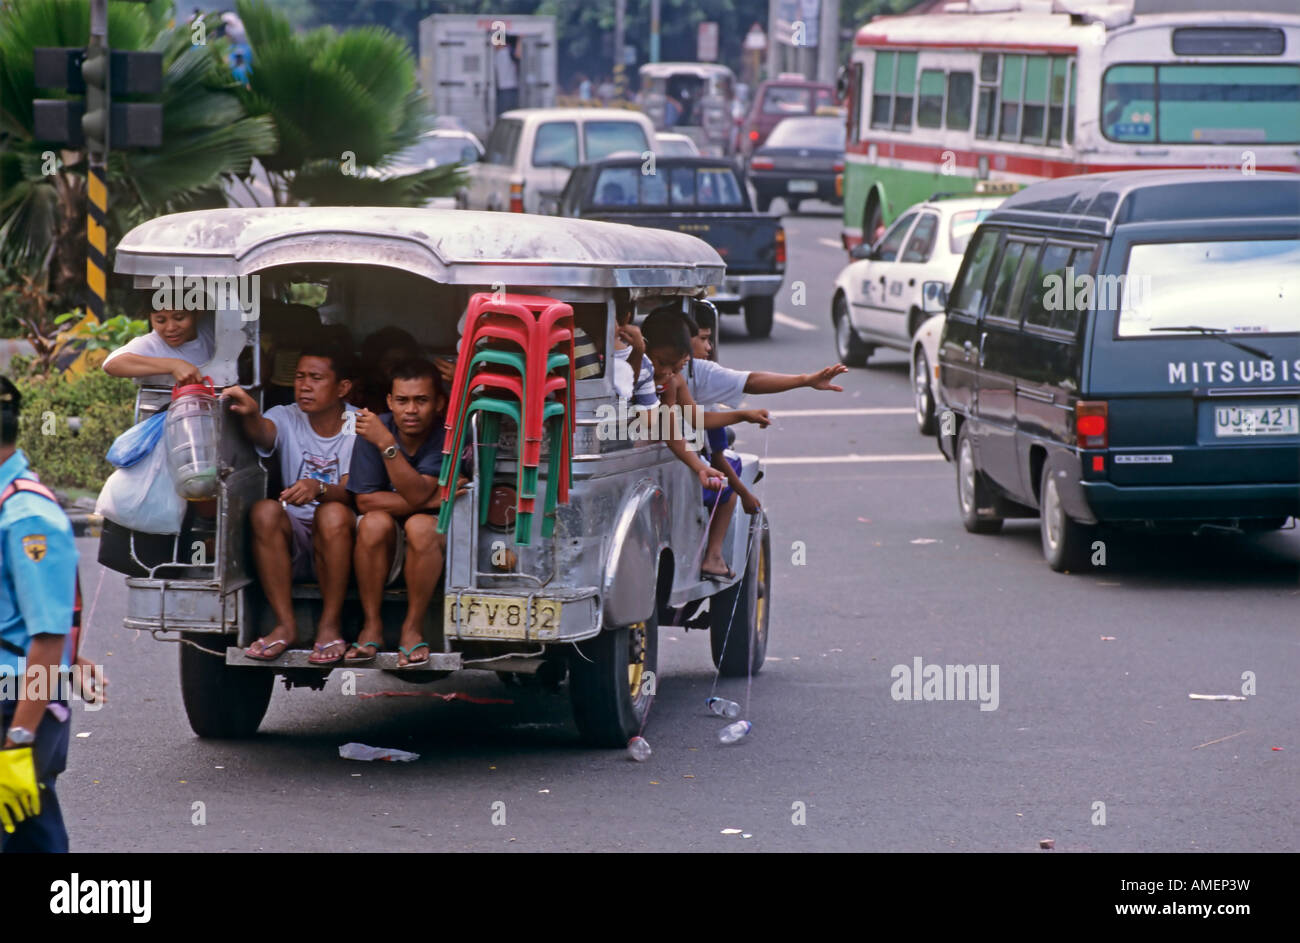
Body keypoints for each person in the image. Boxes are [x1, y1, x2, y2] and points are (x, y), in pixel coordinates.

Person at [222, 345, 359, 665]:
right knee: (264, 511)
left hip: (341, 537)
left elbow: (353, 492)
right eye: (299, 377)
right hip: (294, 532)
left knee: (334, 513)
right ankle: (285, 624)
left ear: (342, 387)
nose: (304, 385)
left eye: (316, 378)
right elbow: (263, 434)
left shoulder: (356, 422)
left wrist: (319, 487)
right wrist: (252, 413)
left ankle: (330, 625)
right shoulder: (285, 415)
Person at [0, 376, 78, 852]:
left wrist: (19, 740)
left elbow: (49, 635)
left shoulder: (27, 515)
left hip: (13, 704)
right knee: (31, 834)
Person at [345, 360, 464, 668]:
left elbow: (412, 493)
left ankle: (412, 627)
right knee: (373, 523)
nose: (411, 409)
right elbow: (365, 503)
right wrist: (432, 499)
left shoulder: (445, 432)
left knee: (421, 527)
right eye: (402, 400)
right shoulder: (375, 430)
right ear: (389, 402)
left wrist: (387, 445)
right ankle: (372, 625)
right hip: (384, 536)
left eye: (421, 400)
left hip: (429, 542)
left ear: (438, 403)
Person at [681, 301, 849, 407]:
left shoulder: (693, 372)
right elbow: (676, 436)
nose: (709, 348)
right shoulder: (672, 379)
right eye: (703, 339)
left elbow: (690, 430)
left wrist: (805, 380)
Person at [102, 306, 213, 386]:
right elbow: (112, 364)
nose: (171, 328)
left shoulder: (208, 328)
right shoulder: (151, 343)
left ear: (198, 313)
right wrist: (174, 365)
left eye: (179, 318)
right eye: (160, 321)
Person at [494, 35, 521, 117]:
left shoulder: (508, 51)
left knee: (507, 114)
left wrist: (520, 39)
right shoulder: (495, 53)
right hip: (501, 89)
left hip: (509, 88)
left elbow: (518, 55)